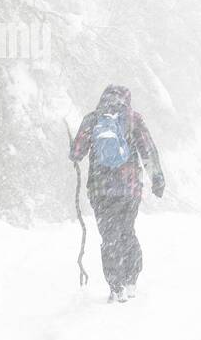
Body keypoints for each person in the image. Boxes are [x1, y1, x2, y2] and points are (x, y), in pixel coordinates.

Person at [69, 84, 164, 303]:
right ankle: (131, 280)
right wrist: (157, 178)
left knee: (109, 237)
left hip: (100, 191)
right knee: (126, 231)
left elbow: (77, 152)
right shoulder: (133, 120)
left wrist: (73, 151)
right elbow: (147, 150)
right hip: (129, 190)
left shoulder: (93, 119)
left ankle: (116, 286)